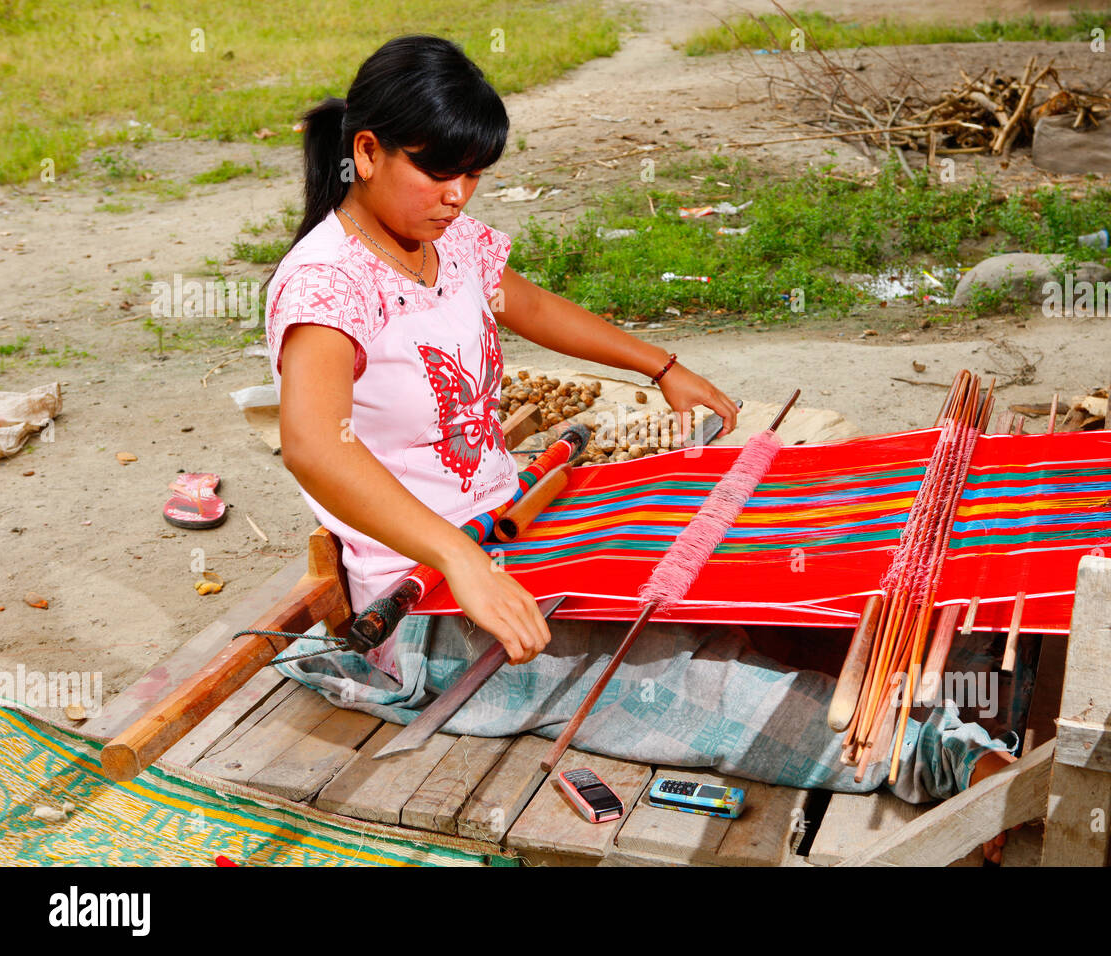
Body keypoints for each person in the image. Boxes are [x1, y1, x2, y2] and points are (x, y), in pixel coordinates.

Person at [266, 34, 1015, 804]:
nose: (459, 195)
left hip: (519, 525)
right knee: (662, 681)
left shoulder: (443, 241)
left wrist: (660, 366)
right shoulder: (327, 287)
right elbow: (315, 446)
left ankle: (958, 669)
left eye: (474, 175)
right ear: (366, 151)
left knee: (749, 552)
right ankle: (944, 760)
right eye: (439, 172)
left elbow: (528, 305)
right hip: (426, 595)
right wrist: (460, 562)